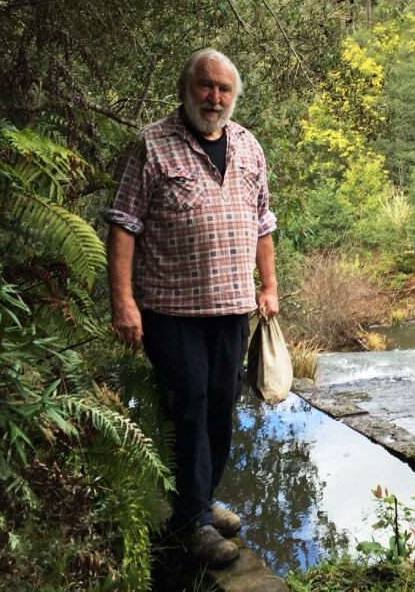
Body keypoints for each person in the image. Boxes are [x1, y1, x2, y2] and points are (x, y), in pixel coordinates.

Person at [104, 48, 279, 568]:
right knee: (191, 405)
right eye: (206, 86)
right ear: (186, 88)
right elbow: (123, 225)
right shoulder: (151, 145)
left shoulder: (248, 146)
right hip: (170, 309)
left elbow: (264, 224)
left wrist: (268, 287)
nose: (215, 97)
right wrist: (123, 302)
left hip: (232, 307)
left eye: (224, 89)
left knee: (222, 406)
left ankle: (197, 500)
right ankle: (194, 525)